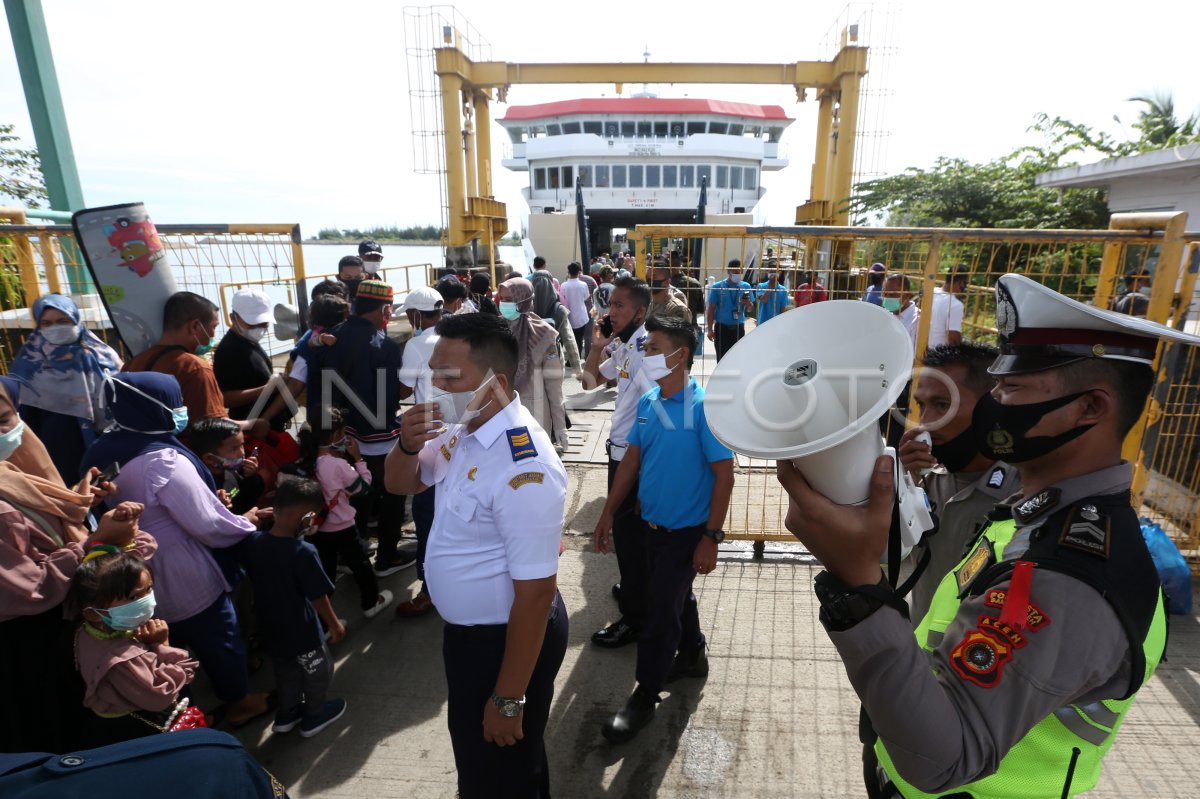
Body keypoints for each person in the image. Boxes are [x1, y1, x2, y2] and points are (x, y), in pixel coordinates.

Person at [775, 273, 1200, 799]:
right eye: (995, 386)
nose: (993, 404)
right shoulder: (1027, 514)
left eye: (1012, 389)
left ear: (1092, 408)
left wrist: (860, 584)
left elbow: (943, 760)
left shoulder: (1071, 575)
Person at [384, 312, 569, 799]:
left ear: (496, 382)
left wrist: (508, 698)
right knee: (489, 762)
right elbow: (400, 482)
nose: (435, 386)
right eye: (433, 373)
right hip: (469, 640)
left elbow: (535, 594)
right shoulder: (459, 429)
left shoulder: (524, 465)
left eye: (449, 377)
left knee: (501, 767)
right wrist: (406, 444)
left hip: (504, 641)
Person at [81, 372, 273, 728]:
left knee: (165, 638)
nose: (181, 410)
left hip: (133, 568)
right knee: (219, 636)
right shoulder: (164, 461)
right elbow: (208, 524)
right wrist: (249, 522)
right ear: (154, 408)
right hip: (183, 572)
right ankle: (240, 701)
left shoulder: (102, 448)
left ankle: (189, 705)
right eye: (176, 402)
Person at [593, 315, 734, 743]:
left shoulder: (706, 409)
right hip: (647, 524)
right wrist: (608, 512)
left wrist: (711, 537)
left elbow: (725, 476)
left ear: (681, 354)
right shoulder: (650, 400)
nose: (646, 355)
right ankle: (692, 653)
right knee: (673, 596)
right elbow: (633, 459)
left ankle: (645, 694)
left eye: (652, 348)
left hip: (687, 533)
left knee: (658, 610)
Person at [0, 379, 135, 754]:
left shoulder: (9, 471)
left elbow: (38, 520)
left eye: (4, 418)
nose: (3, 432)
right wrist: (90, 544)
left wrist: (81, 500)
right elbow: (28, 589)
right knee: (56, 728)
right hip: (30, 640)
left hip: (54, 620)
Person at [896, 342, 1021, 621]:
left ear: (992, 407)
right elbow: (883, 555)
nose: (926, 422)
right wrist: (900, 486)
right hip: (920, 656)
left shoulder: (1024, 492)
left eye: (943, 405)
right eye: (921, 405)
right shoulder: (925, 479)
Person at [303, 279, 417, 578]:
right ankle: (387, 558)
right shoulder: (386, 347)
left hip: (341, 436)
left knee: (356, 495)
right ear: (385, 309)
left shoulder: (332, 339)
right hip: (378, 439)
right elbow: (390, 397)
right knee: (393, 497)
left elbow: (321, 384)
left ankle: (355, 549)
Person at [243, 476, 348, 738]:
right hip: (302, 631)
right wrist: (334, 624)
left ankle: (287, 714)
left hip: (270, 627)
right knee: (318, 671)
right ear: (308, 517)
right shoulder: (304, 551)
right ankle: (314, 715)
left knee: (285, 671)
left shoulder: (254, 543)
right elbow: (318, 596)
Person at [582, 275, 652, 648]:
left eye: (621, 306)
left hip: (633, 458)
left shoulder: (644, 349)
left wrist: (645, 467)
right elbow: (589, 381)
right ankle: (634, 590)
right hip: (619, 451)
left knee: (629, 537)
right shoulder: (624, 345)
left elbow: (658, 409)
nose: (612, 312)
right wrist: (597, 347)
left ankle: (635, 618)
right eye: (611, 305)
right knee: (628, 536)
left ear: (640, 311)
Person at [71, 544, 200, 747]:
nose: (147, 600)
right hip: (146, 730)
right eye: (133, 597)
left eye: (148, 589)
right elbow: (162, 696)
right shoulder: (123, 659)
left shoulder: (88, 631)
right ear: (92, 613)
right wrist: (161, 645)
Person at [122, 292, 268, 442]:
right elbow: (213, 428)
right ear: (195, 326)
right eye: (213, 327)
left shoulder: (132, 364)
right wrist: (252, 424)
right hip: (185, 455)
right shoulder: (195, 368)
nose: (213, 335)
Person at [11, 293, 123, 483]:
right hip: (56, 447)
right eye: (47, 324)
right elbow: (22, 416)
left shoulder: (102, 355)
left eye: (63, 320)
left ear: (76, 320)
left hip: (105, 443)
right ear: (39, 326)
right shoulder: (28, 365)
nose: (56, 328)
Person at [297, 409, 391, 619]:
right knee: (360, 565)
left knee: (326, 570)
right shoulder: (338, 465)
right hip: (342, 526)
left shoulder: (305, 459)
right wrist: (358, 460)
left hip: (317, 528)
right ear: (334, 436)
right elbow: (363, 488)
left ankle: (325, 621)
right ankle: (371, 602)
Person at [212, 288, 299, 485]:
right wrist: (267, 388)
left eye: (264, 323)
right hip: (254, 433)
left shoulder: (249, 342)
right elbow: (224, 397)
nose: (260, 328)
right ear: (233, 317)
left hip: (268, 427)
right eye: (254, 323)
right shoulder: (229, 351)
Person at [397, 285, 446, 615]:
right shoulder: (457, 336)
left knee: (426, 516)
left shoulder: (416, 344)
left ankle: (429, 589)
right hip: (460, 437)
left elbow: (402, 387)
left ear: (415, 315)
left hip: (430, 440)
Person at [499, 277, 568, 455]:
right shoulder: (495, 329)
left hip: (534, 416)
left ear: (523, 301)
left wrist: (560, 427)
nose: (504, 304)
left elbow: (554, 385)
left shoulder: (543, 334)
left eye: (509, 300)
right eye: (502, 299)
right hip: (499, 414)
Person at [189, 417, 264, 515]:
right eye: (234, 449)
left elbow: (248, 499)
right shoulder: (201, 485)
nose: (242, 453)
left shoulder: (234, 472)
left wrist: (251, 477)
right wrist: (217, 506)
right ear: (209, 458)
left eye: (242, 445)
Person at [706, 259, 755, 361]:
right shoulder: (717, 287)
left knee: (737, 358)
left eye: (740, 272)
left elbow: (750, 309)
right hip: (721, 328)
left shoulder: (746, 286)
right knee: (721, 358)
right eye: (736, 272)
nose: (738, 274)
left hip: (738, 328)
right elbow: (710, 309)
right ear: (729, 271)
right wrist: (710, 329)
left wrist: (748, 303)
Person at [669, 256, 706, 356]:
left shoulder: (665, 284)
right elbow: (701, 309)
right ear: (681, 266)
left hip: (668, 328)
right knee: (687, 359)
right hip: (690, 325)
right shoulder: (694, 283)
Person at [927, 265, 969, 349]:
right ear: (959, 281)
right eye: (965, 283)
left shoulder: (931, 292)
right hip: (937, 354)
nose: (965, 287)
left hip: (920, 348)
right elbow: (953, 338)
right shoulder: (955, 305)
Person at [561, 262, 595, 359]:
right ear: (579, 272)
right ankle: (578, 357)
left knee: (569, 339)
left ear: (568, 272)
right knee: (579, 339)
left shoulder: (564, 285)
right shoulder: (583, 284)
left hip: (568, 315)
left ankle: (569, 359)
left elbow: (562, 299)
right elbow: (586, 297)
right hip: (581, 316)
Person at [882, 272, 920, 348]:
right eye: (885, 294)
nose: (888, 298)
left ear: (907, 295)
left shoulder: (917, 320)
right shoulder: (885, 315)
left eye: (893, 295)